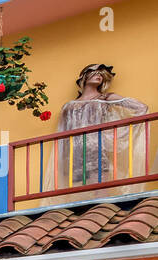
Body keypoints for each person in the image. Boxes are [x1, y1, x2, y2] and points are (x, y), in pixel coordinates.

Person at [56, 63, 149, 192]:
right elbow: (64, 134)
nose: (99, 76)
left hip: (96, 149)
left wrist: (116, 132)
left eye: (101, 74)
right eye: (95, 72)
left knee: (100, 190)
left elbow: (141, 108)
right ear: (84, 76)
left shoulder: (105, 98)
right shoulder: (69, 106)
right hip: (76, 153)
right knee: (79, 193)